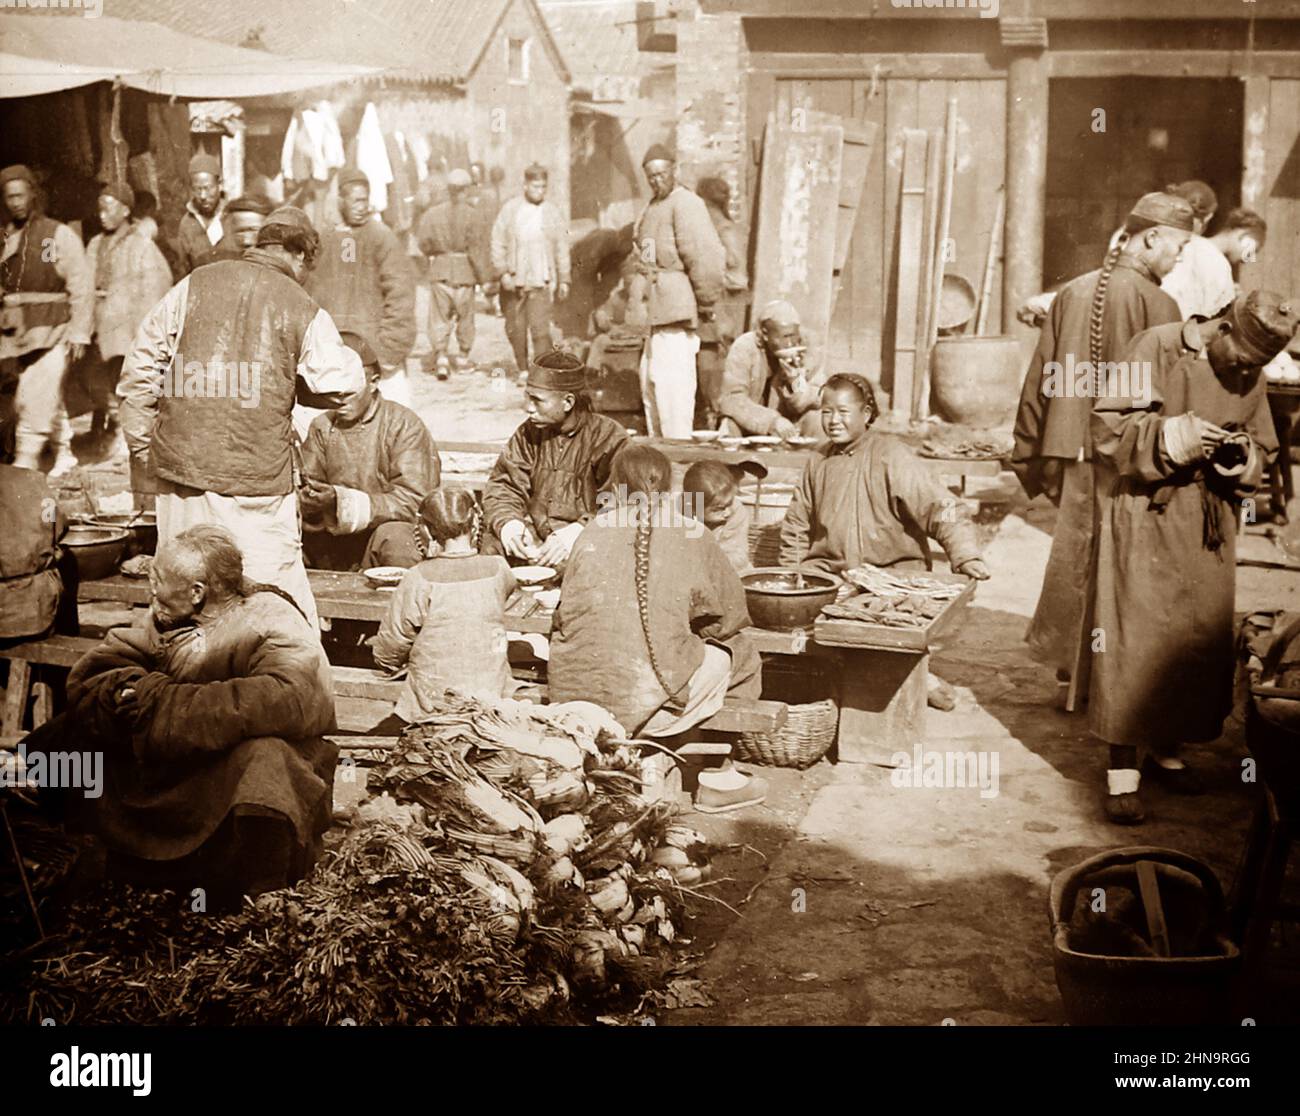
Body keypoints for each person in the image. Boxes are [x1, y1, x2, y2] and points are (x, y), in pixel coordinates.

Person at [24, 526, 337, 909]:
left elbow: (294, 696)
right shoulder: (171, 615)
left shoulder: (271, 621)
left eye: (159, 581)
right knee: (69, 735)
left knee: (266, 761)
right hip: (181, 757)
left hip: (235, 770)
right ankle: (33, 819)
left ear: (198, 592)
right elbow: (110, 665)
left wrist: (166, 705)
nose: (151, 590)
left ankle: (263, 892)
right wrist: (130, 690)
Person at [1086, 291, 1297, 825]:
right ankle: (1121, 769)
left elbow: (1265, 446)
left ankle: (1166, 750)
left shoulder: (1251, 371)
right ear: (1222, 326)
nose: (1247, 372)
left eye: (1257, 366)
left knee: (1194, 636)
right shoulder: (1154, 347)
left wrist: (1240, 455)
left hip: (1209, 516)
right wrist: (1173, 435)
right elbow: (1106, 430)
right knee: (1137, 634)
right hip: (1146, 510)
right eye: (1243, 359)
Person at [118, 205, 363, 628]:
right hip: (255, 490)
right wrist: (293, 383)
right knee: (268, 610)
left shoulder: (194, 284)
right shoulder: (300, 304)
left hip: (181, 481)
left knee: (180, 602)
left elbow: (139, 371)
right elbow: (342, 383)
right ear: (302, 256)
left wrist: (144, 450)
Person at [1011, 191, 1193, 701]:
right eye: (1177, 248)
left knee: (1075, 554)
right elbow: (1170, 394)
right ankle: (1112, 681)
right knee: (1120, 566)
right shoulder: (1161, 305)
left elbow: (1039, 383)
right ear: (1151, 237)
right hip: (1127, 456)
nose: (1178, 261)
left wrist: (1031, 450)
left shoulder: (1072, 292)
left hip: (1074, 452)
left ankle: (1073, 672)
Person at [549, 445, 766, 810]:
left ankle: (637, 754)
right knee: (740, 650)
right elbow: (728, 618)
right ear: (669, 490)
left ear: (615, 487)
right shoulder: (691, 531)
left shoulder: (589, 533)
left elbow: (562, 616)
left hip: (575, 699)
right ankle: (719, 775)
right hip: (645, 701)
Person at [781, 374, 988, 578]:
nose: (834, 420)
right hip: (830, 576)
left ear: (867, 414)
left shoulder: (891, 455)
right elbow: (796, 526)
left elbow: (944, 506)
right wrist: (793, 575)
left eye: (843, 412)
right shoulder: (818, 460)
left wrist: (965, 554)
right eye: (827, 412)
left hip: (892, 576)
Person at [300, 331, 440, 571]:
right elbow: (308, 484)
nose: (339, 401)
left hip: (381, 535)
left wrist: (342, 501)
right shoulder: (322, 426)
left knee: (397, 539)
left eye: (349, 393)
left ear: (373, 383)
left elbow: (415, 500)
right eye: (333, 393)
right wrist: (311, 499)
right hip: (334, 537)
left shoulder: (403, 425)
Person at [372, 488, 516, 717]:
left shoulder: (418, 576)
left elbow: (389, 649)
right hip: (491, 696)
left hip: (434, 704)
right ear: (475, 525)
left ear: (427, 531)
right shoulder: (499, 568)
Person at [481, 349, 628, 566]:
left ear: (568, 402)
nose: (527, 407)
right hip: (537, 541)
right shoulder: (528, 433)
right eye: (527, 396)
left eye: (537, 400)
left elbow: (622, 504)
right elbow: (504, 486)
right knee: (491, 546)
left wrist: (574, 535)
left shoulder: (609, 438)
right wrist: (511, 526)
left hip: (587, 541)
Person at [1, 164, 92, 477]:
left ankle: (25, 461)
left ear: (33, 195)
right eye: (9, 197)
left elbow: (80, 285)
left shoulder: (57, 234)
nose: (15, 203)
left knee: (36, 391)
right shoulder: (3, 236)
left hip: (54, 327)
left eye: (20, 195)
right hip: (12, 333)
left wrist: (80, 332)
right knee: (39, 391)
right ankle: (64, 452)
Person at [634, 146, 726, 439]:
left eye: (661, 174)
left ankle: (677, 458)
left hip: (675, 312)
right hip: (654, 313)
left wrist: (706, 301)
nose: (657, 181)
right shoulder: (652, 209)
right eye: (651, 177)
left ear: (675, 170)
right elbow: (648, 255)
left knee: (673, 394)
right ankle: (659, 460)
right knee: (652, 388)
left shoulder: (687, 204)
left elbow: (704, 258)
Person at [306, 167, 417, 407]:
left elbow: (401, 296)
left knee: (391, 421)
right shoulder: (324, 239)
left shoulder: (382, 237)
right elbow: (309, 294)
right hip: (333, 355)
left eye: (365, 200)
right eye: (355, 200)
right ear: (340, 201)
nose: (361, 206)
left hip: (376, 356)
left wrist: (389, 351)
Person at [80, 182, 172, 451]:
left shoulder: (141, 245)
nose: (102, 215)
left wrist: (142, 331)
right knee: (91, 380)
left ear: (125, 210)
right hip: (98, 328)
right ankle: (118, 424)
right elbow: (85, 282)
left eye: (108, 208)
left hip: (126, 330)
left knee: (129, 385)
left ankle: (127, 435)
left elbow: (156, 286)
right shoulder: (95, 244)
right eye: (99, 209)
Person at [490, 164, 570, 373]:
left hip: (540, 280)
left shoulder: (552, 212)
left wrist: (563, 278)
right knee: (515, 328)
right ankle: (523, 369)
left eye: (543, 187)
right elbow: (497, 241)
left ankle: (540, 372)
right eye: (535, 186)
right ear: (525, 186)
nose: (540, 191)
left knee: (540, 330)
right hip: (514, 280)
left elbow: (562, 246)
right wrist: (502, 272)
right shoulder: (510, 209)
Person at [417, 168, 489, 379]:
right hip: (465, 273)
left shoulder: (432, 214)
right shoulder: (474, 215)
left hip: (440, 271)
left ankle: (441, 357)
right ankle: (463, 358)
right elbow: (477, 250)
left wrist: (437, 254)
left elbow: (423, 243)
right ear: (466, 190)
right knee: (465, 318)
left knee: (439, 317)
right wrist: (484, 278)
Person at [716, 299, 823, 438]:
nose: (790, 343)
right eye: (784, 337)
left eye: (793, 335)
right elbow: (732, 398)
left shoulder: (807, 347)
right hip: (752, 421)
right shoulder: (744, 347)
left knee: (816, 420)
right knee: (729, 424)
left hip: (791, 425)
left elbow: (818, 396)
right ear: (765, 334)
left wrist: (795, 381)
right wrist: (771, 421)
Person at [0, 462, 77, 644]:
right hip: (31, 614)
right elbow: (57, 525)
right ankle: (56, 670)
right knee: (68, 562)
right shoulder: (34, 481)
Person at [696, 176, 750, 423]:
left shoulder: (717, 226)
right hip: (724, 298)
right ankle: (715, 410)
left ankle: (715, 411)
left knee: (713, 351)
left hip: (722, 298)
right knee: (717, 351)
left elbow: (734, 267)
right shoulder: (723, 225)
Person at [1163, 206, 1267, 322]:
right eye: (1252, 251)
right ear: (1245, 237)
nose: (1246, 260)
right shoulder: (1220, 266)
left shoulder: (1189, 242)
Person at [681, 458, 764, 575]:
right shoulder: (674, 513)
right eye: (718, 509)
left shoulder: (736, 511)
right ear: (694, 507)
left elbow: (738, 557)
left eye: (729, 504)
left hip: (728, 573)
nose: (727, 512)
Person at [174, 152, 227, 276]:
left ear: (219, 185)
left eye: (208, 188)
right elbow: (183, 269)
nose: (203, 196)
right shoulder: (187, 224)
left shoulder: (232, 217)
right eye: (197, 189)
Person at [211, 194, 275, 261]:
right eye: (240, 232)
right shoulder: (212, 262)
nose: (246, 241)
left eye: (253, 230)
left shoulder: (282, 265)